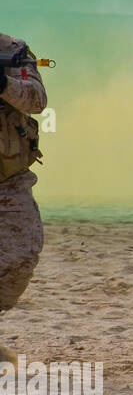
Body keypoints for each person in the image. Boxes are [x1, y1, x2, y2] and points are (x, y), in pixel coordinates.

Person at [0, 35, 48, 367]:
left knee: (22, 254)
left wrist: (3, 83)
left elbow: (37, 100)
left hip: (8, 178)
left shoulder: (13, 51)